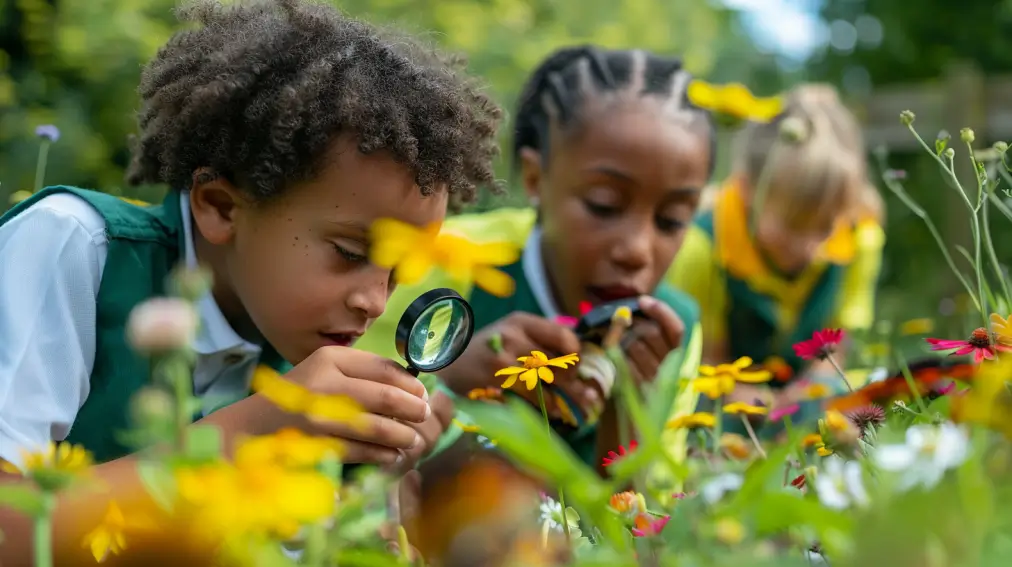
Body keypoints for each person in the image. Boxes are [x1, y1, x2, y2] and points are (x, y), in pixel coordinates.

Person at [0, 0, 501, 563]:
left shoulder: (297, 364)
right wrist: (254, 432)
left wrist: (363, 503)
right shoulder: (75, 247)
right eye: (348, 252)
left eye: (400, 272)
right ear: (220, 207)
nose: (374, 302)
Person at [356, 45, 715, 474]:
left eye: (672, 220)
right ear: (534, 179)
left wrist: (631, 414)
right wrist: (448, 381)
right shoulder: (442, 262)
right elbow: (332, 435)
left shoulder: (675, 328)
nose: (637, 251)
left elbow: (646, 523)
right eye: (603, 205)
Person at [668, 83, 885, 435]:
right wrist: (749, 397)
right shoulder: (703, 246)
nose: (811, 248)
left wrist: (804, 390)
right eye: (793, 226)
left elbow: (834, 352)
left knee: (847, 408)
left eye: (826, 227)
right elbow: (706, 361)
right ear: (748, 189)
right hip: (726, 398)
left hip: (804, 395)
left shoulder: (860, 237)